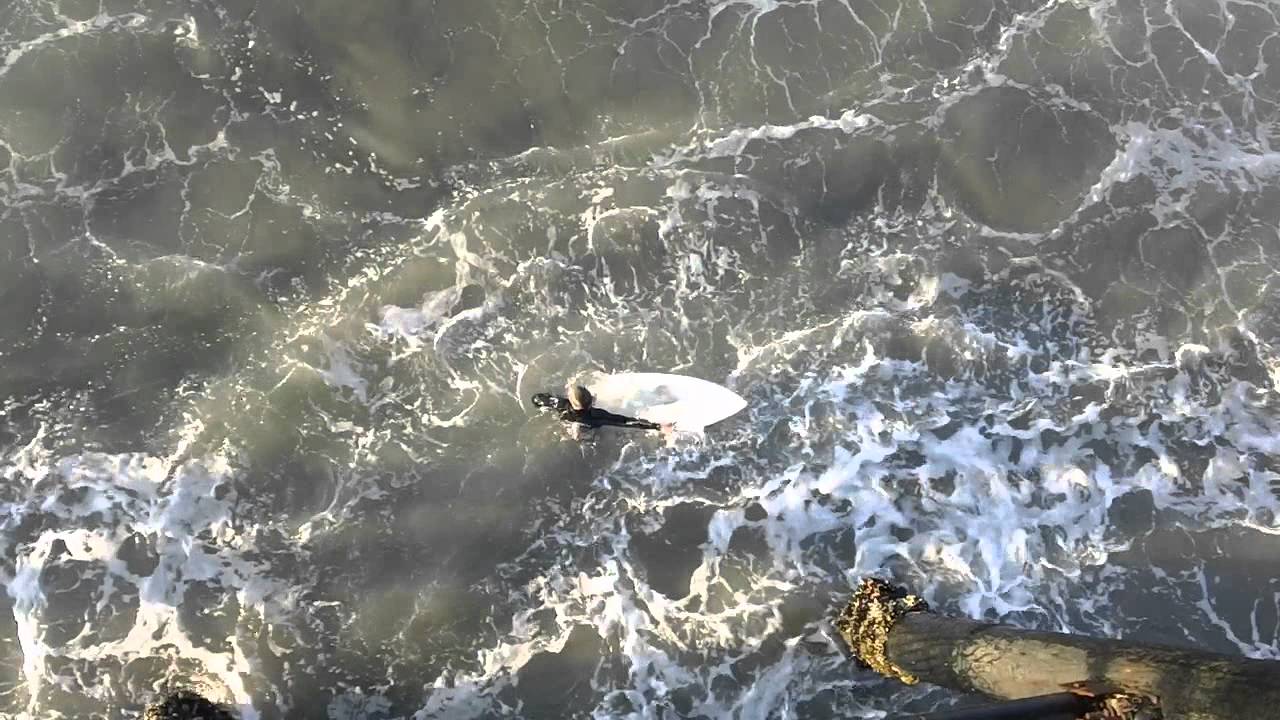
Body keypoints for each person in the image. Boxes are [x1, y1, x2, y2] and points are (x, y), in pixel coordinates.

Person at [532, 384, 673, 435]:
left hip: (568, 420)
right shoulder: (596, 415)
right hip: (588, 425)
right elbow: (625, 422)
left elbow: (536, 399)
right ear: (592, 402)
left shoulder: (559, 404)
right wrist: (657, 426)